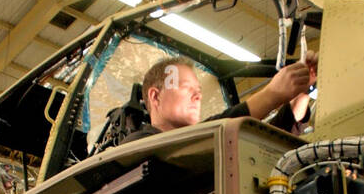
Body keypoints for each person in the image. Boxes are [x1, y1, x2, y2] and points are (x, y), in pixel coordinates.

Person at [120, 53, 317, 144]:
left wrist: (301, 93)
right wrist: (271, 94)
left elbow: (268, 139)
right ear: (156, 96)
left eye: (198, 90)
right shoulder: (135, 146)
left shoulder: (213, 148)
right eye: (186, 87)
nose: (197, 95)